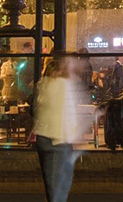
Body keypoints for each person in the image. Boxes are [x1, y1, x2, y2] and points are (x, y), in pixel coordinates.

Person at [32, 56, 88, 202]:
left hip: (42, 136)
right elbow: (70, 112)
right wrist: (76, 135)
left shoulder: (40, 85)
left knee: (49, 178)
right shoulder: (65, 85)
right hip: (60, 137)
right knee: (60, 181)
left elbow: (33, 110)